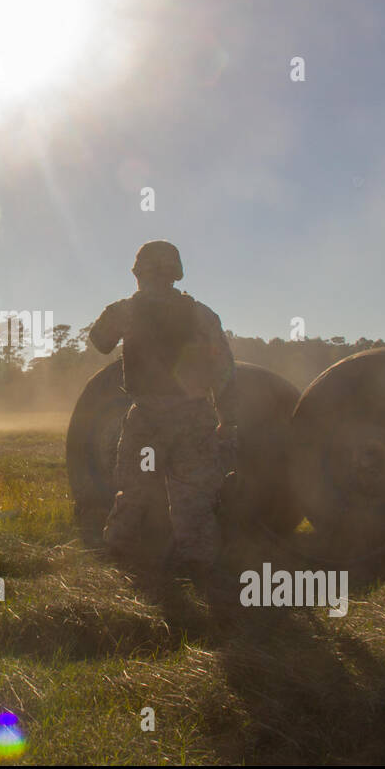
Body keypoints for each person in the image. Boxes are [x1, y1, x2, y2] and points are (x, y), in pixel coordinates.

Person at [88, 241, 235, 578]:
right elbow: (224, 368)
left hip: (148, 419)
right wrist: (228, 418)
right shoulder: (200, 314)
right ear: (176, 273)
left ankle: (120, 557)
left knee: (133, 490)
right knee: (194, 498)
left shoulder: (125, 311)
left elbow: (99, 342)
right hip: (195, 419)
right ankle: (199, 567)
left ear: (139, 272)